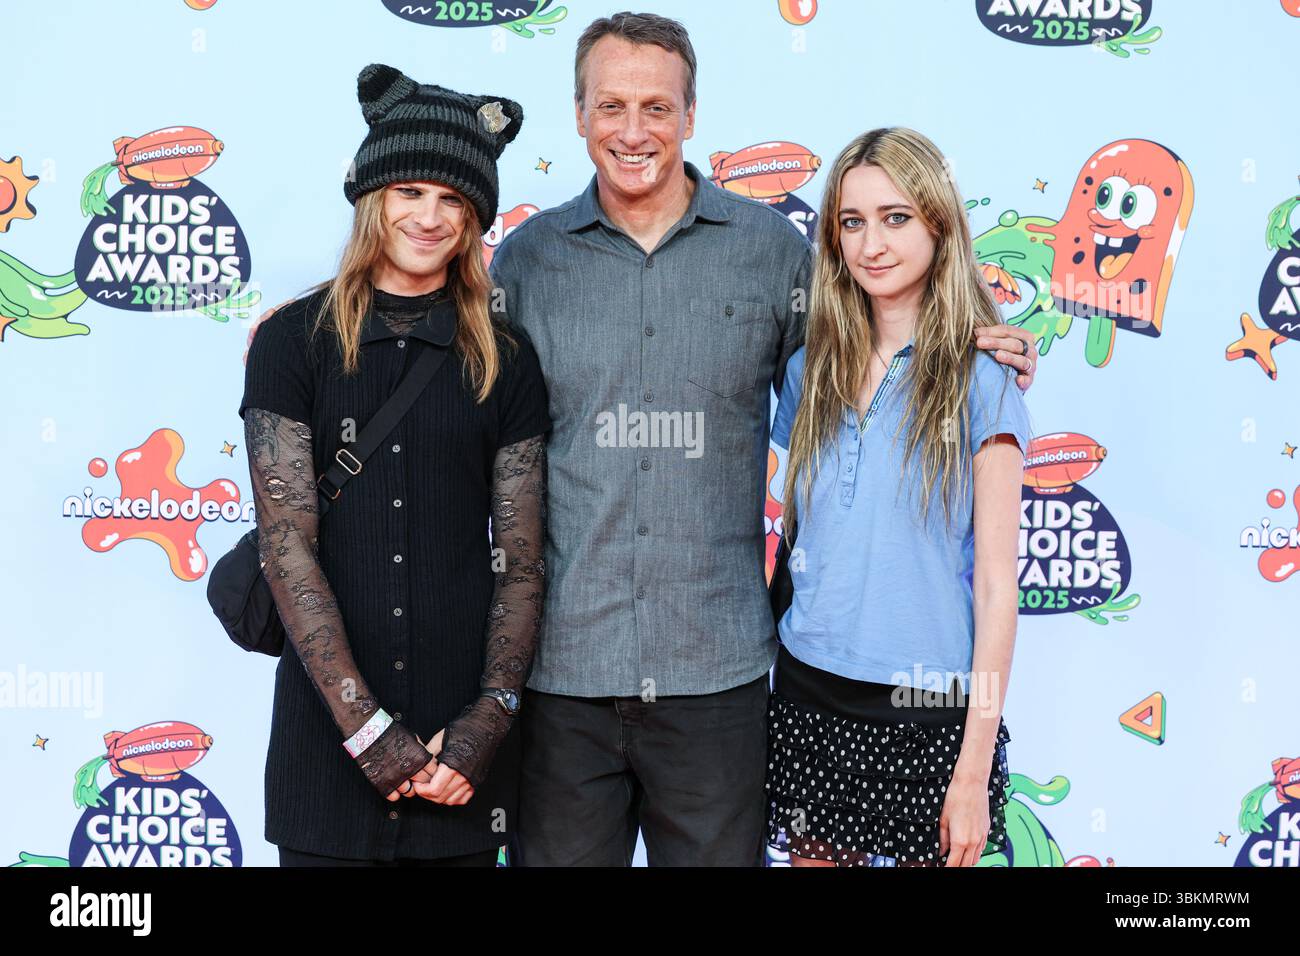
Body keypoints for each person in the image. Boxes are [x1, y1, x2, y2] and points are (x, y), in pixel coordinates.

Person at [489, 12, 1039, 866]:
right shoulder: (524, 263)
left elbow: (881, 328)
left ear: (692, 114)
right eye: (611, 106)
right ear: (578, 114)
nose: (634, 131)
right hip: (567, 674)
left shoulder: (769, 253)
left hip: (723, 680)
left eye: (657, 107)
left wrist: (975, 337)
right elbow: (462, 411)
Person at [239, 64, 549, 866]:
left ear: (477, 218)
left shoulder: (506, 361)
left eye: (454, 199)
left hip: (460, 761)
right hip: (326, 750)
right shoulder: (291, 342)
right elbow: (286, 546)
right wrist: (366, 729)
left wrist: (486, 724)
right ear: (374, 196)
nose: (431, 216)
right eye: (411, 191)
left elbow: (520, 563)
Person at [766, 127, 1031, 867]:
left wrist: (973, 770)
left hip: (929, 712)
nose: (871, 243)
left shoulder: (984, 381)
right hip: (809, 696)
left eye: (896, 217)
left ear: (939, 225)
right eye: (852, 222)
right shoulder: (809, 369)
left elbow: (997, 589)